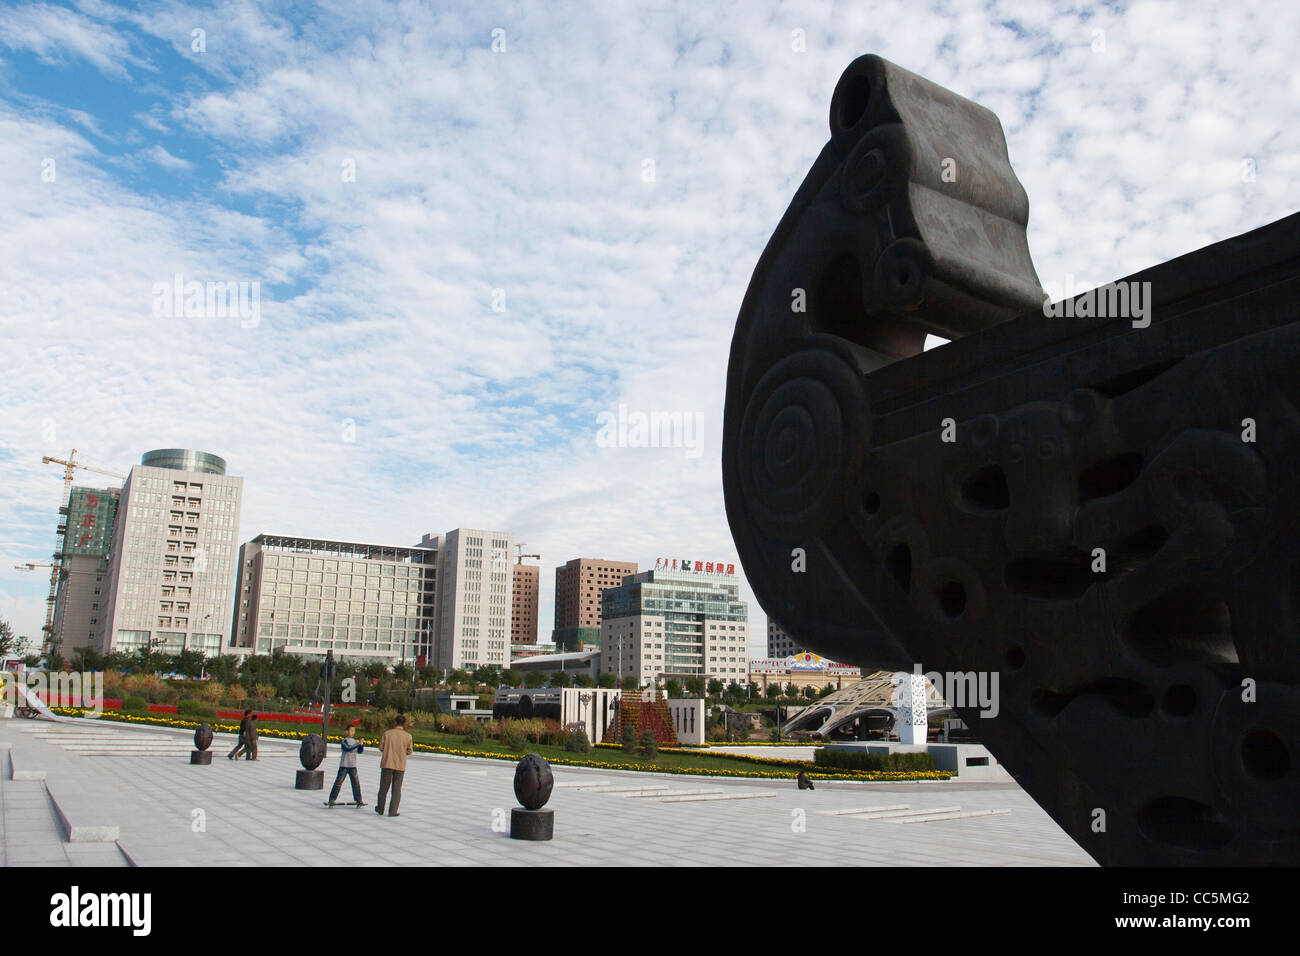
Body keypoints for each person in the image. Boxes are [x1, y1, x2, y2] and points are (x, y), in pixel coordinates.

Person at [375, 714, 413, 817]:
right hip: (400, 765)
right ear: (403, 724)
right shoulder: (408, 736)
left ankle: (380, 808)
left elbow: (381, 747)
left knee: (383, 788)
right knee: (396, 789)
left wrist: (387, 751)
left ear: (395, 722)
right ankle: (393, 811)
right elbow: (409, 751)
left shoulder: (387, 734)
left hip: (387, 763)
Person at [328, 725, 367, 807]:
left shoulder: (355, 741)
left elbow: (359, 751)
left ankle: (358, 799)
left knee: (356, 783)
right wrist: (358, 744)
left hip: (353, 766)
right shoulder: (344, 741)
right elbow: (348, 748)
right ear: (347, 731)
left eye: (354, 731)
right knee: (338, 783)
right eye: (351, 731)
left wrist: (361, 745)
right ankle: (332, 799)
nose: (353, 733)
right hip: (344, 765)